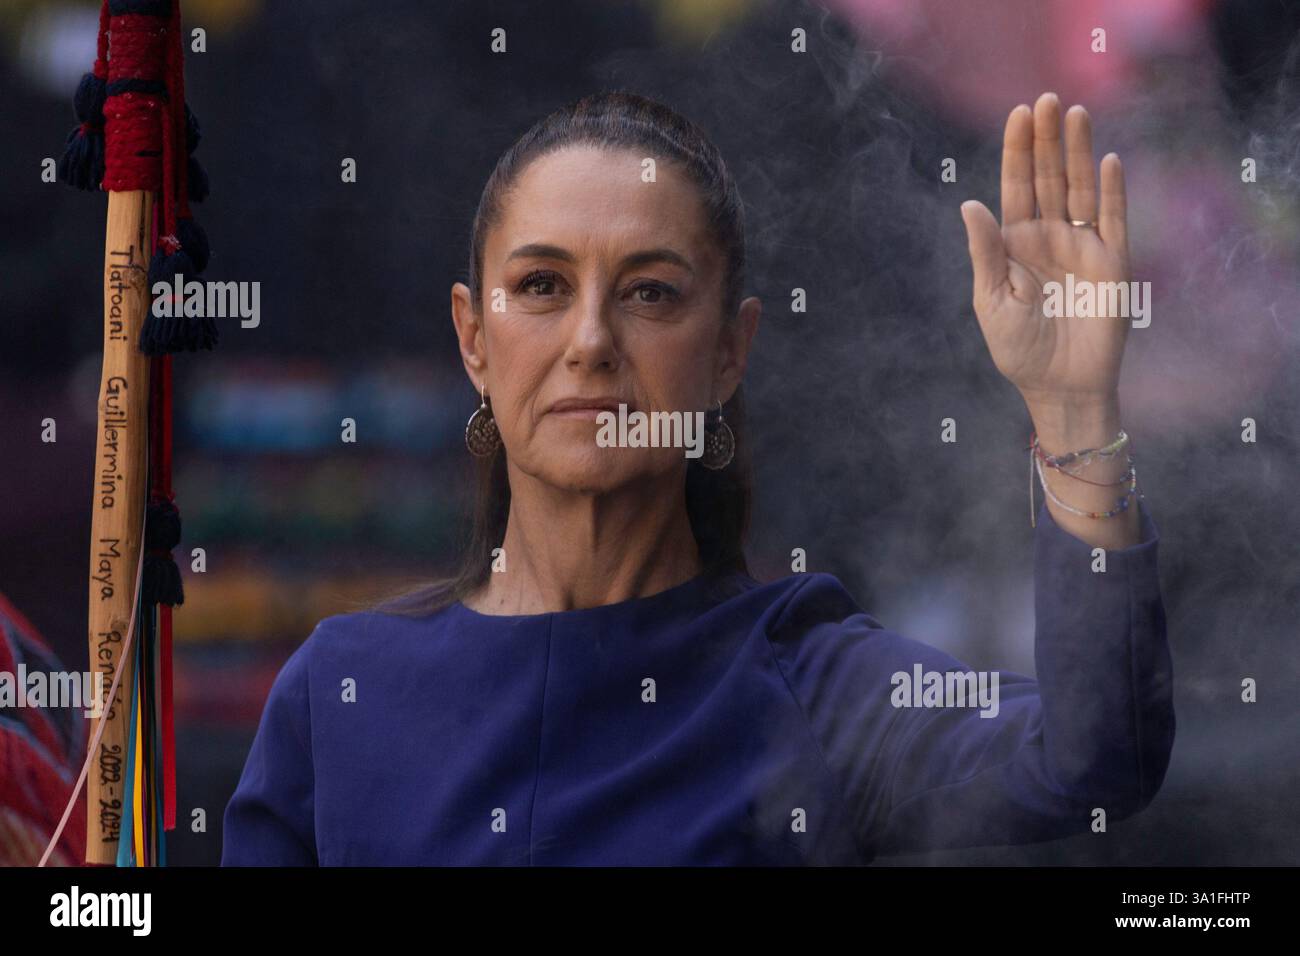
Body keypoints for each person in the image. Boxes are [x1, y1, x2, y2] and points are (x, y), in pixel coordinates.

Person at [221, 90, 1174, 865]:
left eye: (650, 293)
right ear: (475, 336)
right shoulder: (341, 691)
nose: (590, 341)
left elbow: (1093, 758)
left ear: (728, 352)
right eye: (543, 286)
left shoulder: (815, 686)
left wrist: (1075, 411)